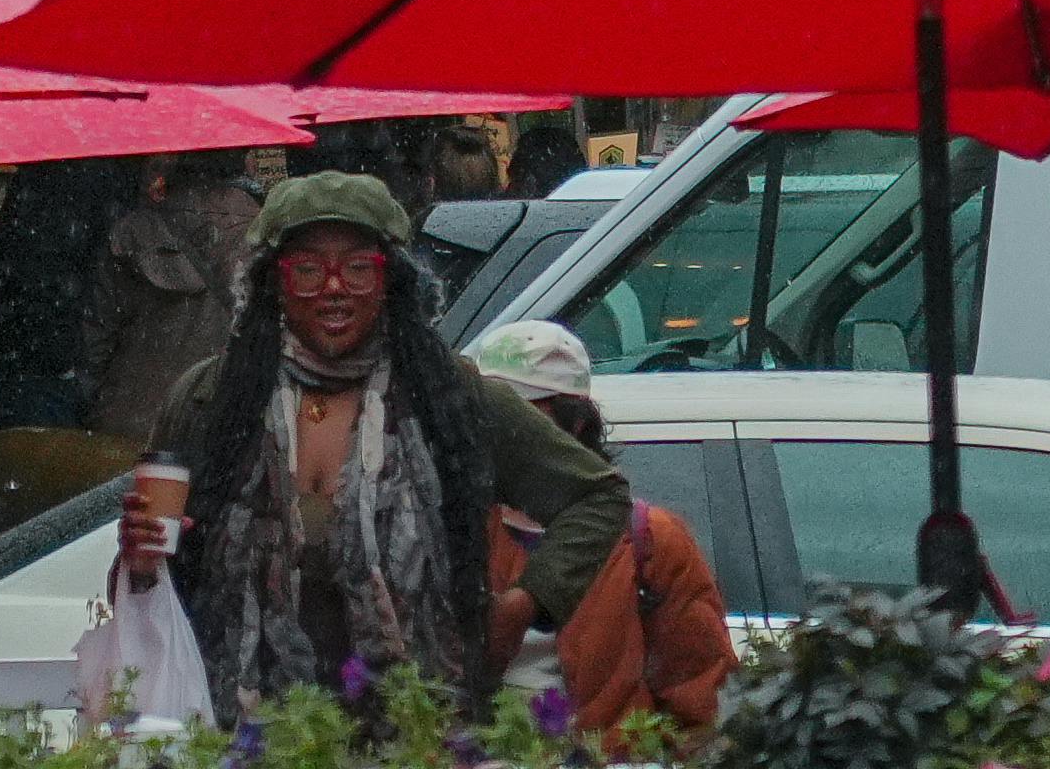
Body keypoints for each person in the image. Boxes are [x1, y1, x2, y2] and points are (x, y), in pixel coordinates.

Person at [116, 169, 626, 717]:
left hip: (418, 730)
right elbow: (161, 575)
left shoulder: (448, 399)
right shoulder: (210, 400)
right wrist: (140, 560)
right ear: (274, 283)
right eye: (308, 270)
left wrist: (524, 604)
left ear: (391, 282)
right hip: (249, 730)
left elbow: (598, 497)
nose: (334, 287)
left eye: (358, 268)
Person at [471, 325, 728, 744]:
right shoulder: (457, 528)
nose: (499, 437)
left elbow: (701, 703)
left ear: (572, 427)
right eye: (490, 419)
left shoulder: (651, 540)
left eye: (523, 419)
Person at [90, 149, 258, 444]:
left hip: (137, 427)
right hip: (230, 425)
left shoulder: (130, 234)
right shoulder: (265, 231)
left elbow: (95, 343)